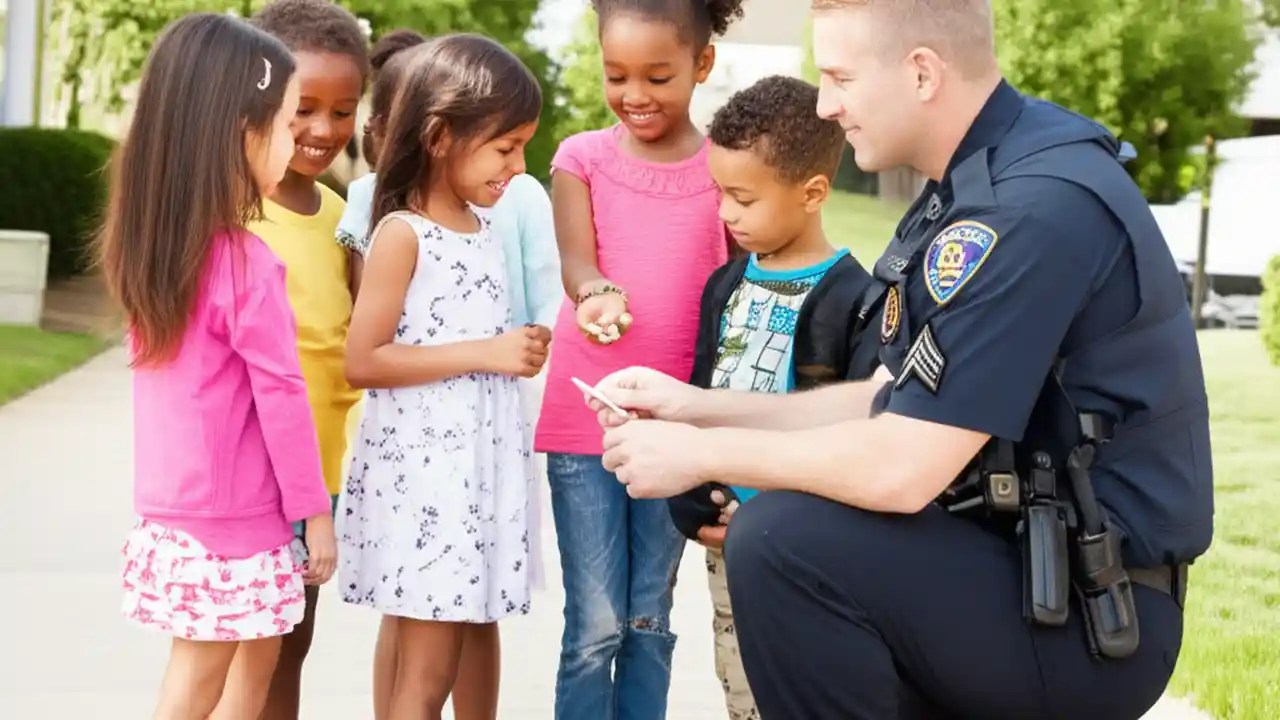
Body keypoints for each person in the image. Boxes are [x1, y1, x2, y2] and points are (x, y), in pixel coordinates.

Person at [586, 1, 1214, 718]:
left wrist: (702, 456)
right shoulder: (976, 184)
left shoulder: (1034, 208)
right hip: (1015, 572)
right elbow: (883, 396)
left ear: (921, 74)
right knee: (794, 532)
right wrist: (692, 407)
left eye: (841, 77)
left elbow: (901, 466)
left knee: (782, 540)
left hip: (1089, 617)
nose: (827, 105)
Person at [97, 13, 336, 720]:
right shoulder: (245, 262)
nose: (299, 143)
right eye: (291, 124)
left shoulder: (158, 251)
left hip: (182, 513)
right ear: (242, 131)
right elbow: (284, 397)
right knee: (201, 680)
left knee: (250, 656)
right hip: (237, 519)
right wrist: (313, 511)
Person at [334, 28, 563, 720]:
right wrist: (488, 352)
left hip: (473, 483)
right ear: (439, 136)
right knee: (424, 683)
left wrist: (517, 349)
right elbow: (363, 359)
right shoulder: (402, 233)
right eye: (505, 147)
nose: (518, 167)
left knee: (457, 648)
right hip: (429, 493)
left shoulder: (483, 228)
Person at [533, 1, 745, 717]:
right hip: (584, 418)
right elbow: (575, 260)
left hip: (677, 431)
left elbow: (745, 282)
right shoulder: (581, 158)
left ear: (702, 65)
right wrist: (596, 292)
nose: (635, 95)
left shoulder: (725, 164)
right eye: (617, 74)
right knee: (594, 624)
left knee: (648, 620)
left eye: (658, 76)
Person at [665, 73, 880, 720]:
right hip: (727, 534)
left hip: (804, 544)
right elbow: (702, 395)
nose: (726, 214)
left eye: (742, 199)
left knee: (801, 687)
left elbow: (859, 432)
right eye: (720, 194)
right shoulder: (725, 285)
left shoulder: (856, 299)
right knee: (741, 686)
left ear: (812, 192)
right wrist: (691, 498)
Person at [233, 2, 369, 715]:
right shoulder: (230, 211)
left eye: (342, 110)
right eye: (305, 108)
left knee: (293, 638)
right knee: (233, 652)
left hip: (319, 476)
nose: (324, 129)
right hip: (246, 477)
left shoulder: (341, 213)